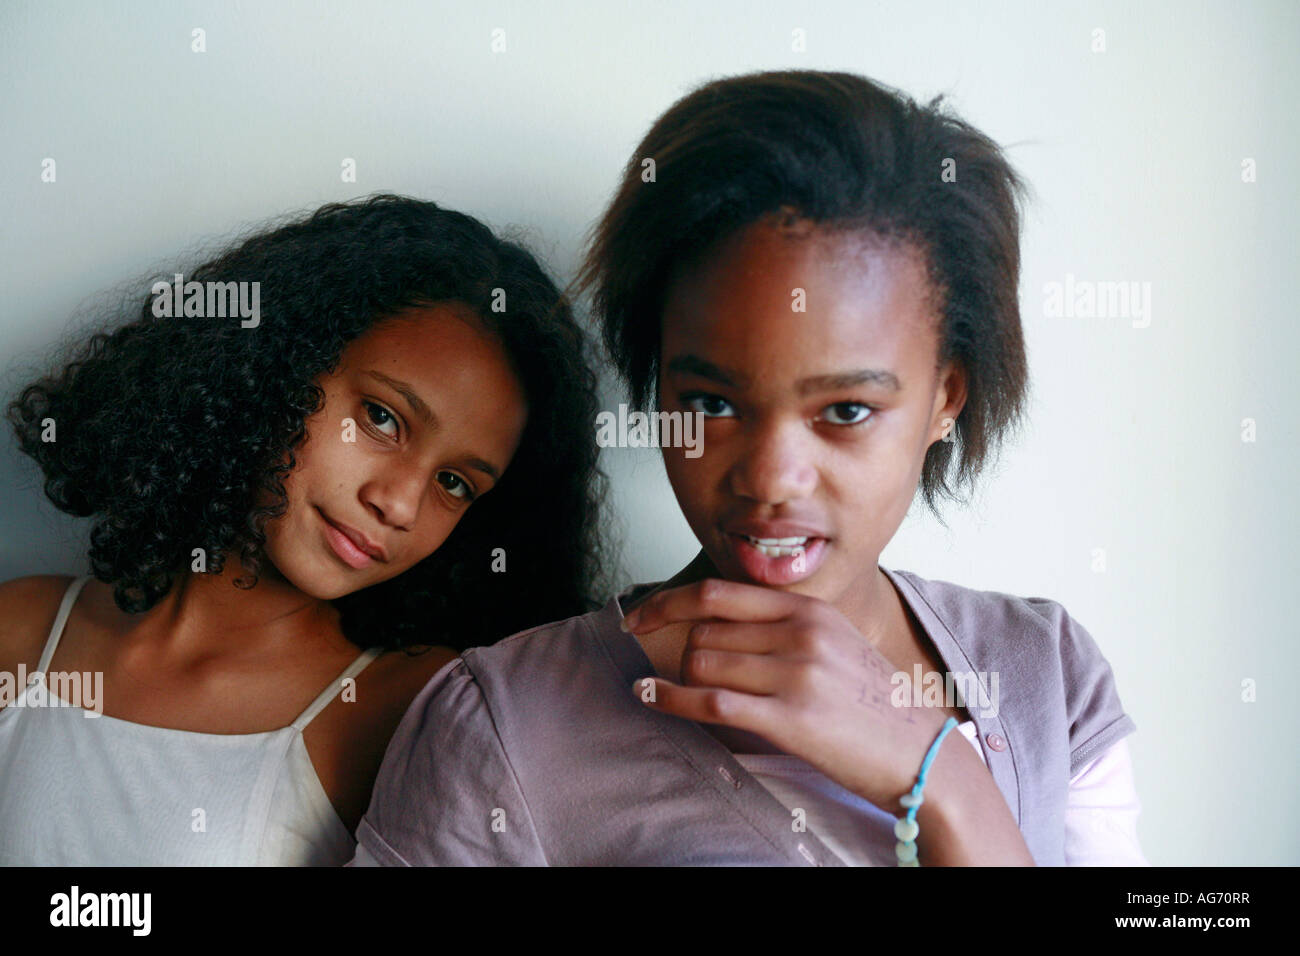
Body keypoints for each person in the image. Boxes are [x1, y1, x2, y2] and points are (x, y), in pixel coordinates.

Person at [350, 72, 1147, 866]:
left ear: (946, 398)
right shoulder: (506, 726)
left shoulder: (1045, 678)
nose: (770, 480)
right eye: (710, 403)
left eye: (845, 412)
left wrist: (947, 784)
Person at [0, 194, 609, 865]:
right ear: (271, 366)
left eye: (455, 483)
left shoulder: (417, 709)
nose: (401, 505)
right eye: (382, 417)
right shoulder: (21, 630)